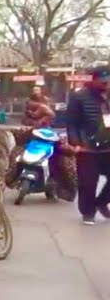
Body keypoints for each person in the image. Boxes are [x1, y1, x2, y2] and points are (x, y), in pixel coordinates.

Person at [64, 65, 110, 224]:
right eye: (103, 82)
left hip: (108, 145)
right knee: (88, 182)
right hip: (87, 146)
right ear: (94, 80)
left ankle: (102, 202)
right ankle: (88, 212)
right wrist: (75, 143)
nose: (106, 85)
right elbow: (71, 123)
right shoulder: (79, 97)